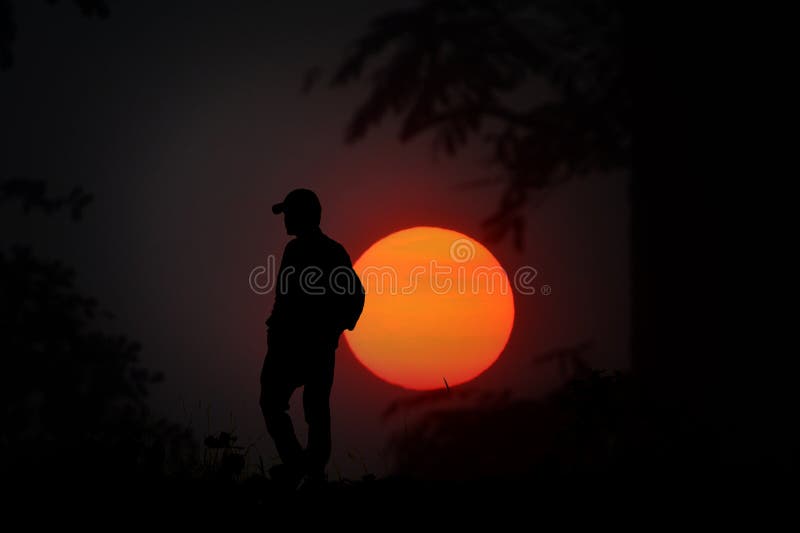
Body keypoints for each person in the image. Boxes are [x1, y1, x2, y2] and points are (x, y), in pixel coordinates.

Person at [260, 188, 364, 489]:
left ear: (302, 215)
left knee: (274, 402)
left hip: (293, 346)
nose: (285, 220)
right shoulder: (333, 250)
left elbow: (289, 300)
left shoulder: (300, 251)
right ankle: (311, 470)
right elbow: (354, 297)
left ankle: (300, 467)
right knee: (315, 408)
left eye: (289, 213)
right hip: (313, 345)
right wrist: (333, 331)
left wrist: (331, 330)